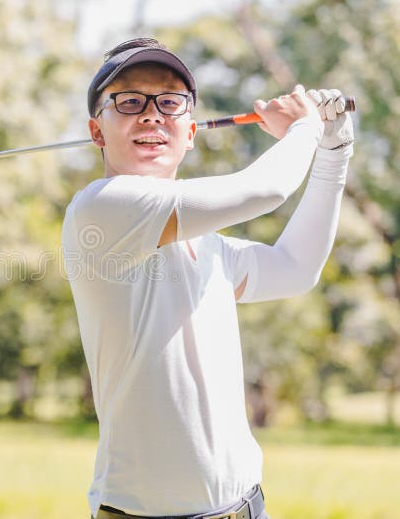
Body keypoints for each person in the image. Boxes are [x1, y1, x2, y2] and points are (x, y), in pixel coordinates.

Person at [61, 37, 354, 519]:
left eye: (170, 102)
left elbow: (296, 268)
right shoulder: (100, 209)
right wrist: (305, 128)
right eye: (130, 101)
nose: (152, 114)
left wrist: (333, 152)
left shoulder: (208, 245)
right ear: (97, 131)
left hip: (246, 507)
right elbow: (265, 189)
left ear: (191, 131)